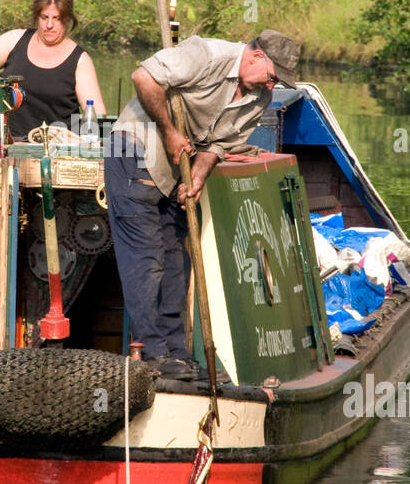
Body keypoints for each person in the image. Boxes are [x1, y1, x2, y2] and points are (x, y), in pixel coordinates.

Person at [104, 29, 301, 379]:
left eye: (277, 82)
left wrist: (197, 176)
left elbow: (218, 146)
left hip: (175, 171)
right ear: (255, 57)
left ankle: (176, 351)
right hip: (135, 151)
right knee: (146, 258)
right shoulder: (206, 55)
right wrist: (168, 131)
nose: (271, 87)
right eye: (271, 77)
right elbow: (143, 77)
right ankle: (151, 352)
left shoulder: (258, 101)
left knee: (176, 261)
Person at [0, 0, 106, 140]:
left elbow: (98, 118)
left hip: (59, 149)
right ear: (37, 15)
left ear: (68, 19)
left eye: (56, 18)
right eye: (44, 17)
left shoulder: (80, 61)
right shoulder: (12, 41)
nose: (49, 25)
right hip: (8, 145)